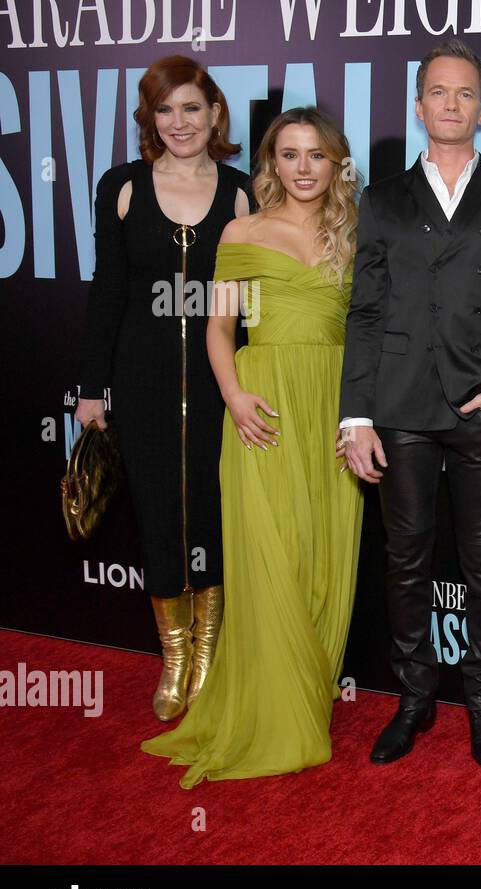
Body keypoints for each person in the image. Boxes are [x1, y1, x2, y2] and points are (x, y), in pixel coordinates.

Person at [141, 107, 364, 787]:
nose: (302, 168)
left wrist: (362, 414)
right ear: (272, 163)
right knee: (274, 551)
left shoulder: (354, 234)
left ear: (335, 165)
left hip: (334, 405)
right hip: (262, 404)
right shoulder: (242, 230)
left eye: (316, 155)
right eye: (289, 154)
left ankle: (308, 685)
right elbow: (218, 327)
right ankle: (274, 709)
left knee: (326, 556)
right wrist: (235, 396)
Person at [339, 40, 481, 768]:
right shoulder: (383, 200)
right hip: (398, 410)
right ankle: (415, 698)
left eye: (465, 94)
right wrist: (354, 415)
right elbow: (364, 311)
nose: (451, 105)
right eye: (438, 93)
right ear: (419, 106)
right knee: (405, 560)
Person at [75, 56, 252, 722]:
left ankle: (208, 655)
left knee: (209, 510)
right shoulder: (121, 187)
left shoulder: (241, 191)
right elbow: (109, 293)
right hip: (140, 381)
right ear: (150, 119)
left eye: (191, 108)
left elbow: (250, 307)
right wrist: (92, 388)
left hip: (219, 387)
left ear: (214, 113)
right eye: (165, 110)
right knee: (156, 514)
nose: (179, 123)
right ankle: (173, 656)